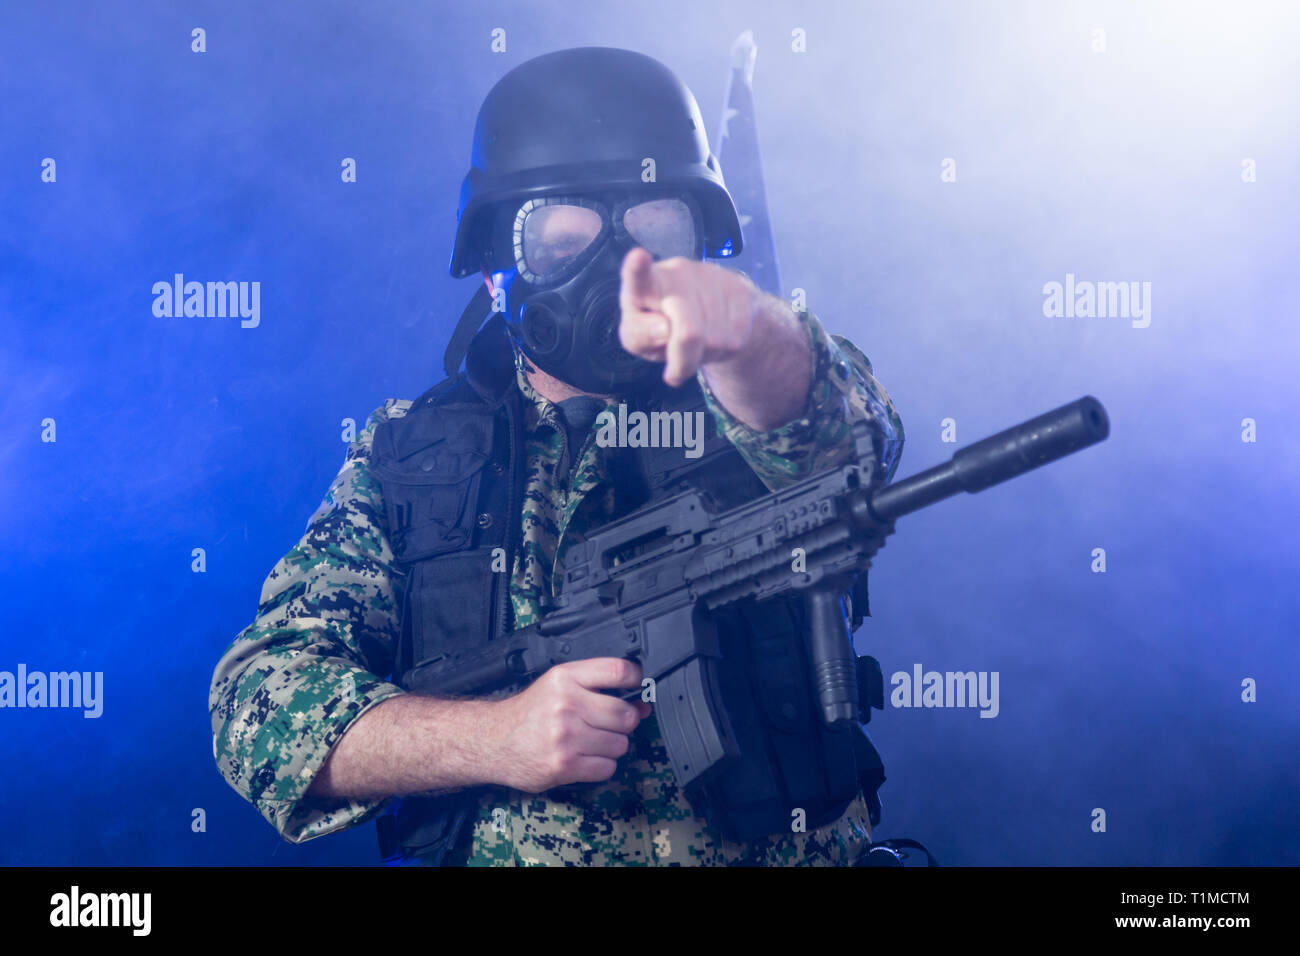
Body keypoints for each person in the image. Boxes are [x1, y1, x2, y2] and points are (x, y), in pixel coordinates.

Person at [209, 46, 905, 866]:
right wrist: (493, 737)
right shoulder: (405, 457)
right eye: (562, 240)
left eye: (655, 230)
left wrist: (747, 330)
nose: (617, 270)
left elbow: (848, 441)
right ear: (498, 274)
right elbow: (256, 705)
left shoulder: (761, 388)